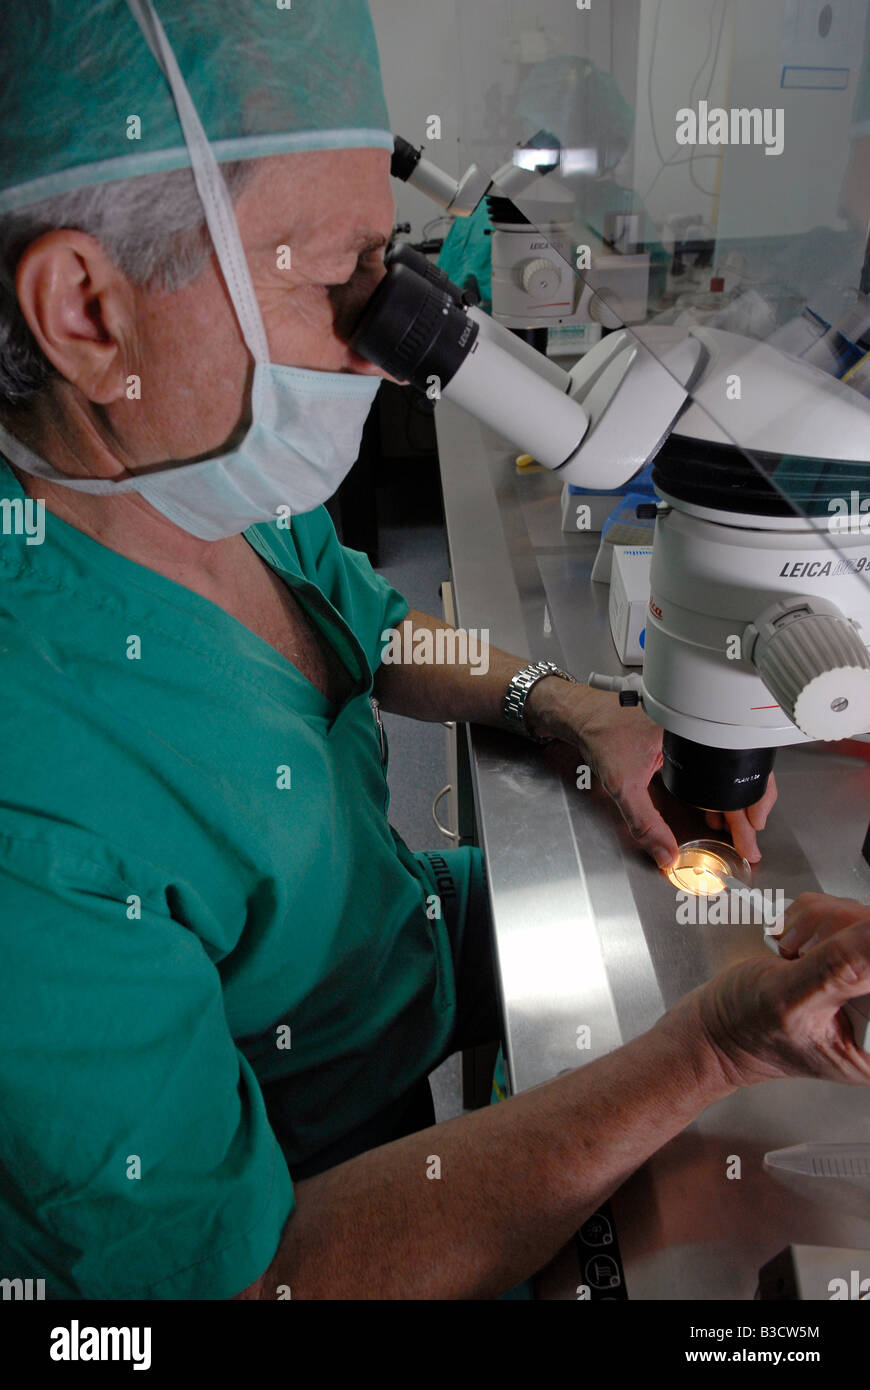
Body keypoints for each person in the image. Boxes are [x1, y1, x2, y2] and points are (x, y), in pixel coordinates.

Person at [0, 0, 866, 1301]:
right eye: (332, 277)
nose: (378, 338)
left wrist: (568, 701)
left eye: (384, 270)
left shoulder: (192, 481)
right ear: (86, 309)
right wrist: (709, 1048)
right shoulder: (32, 791)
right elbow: (248, 1280)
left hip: (396, 960)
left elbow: (377, 620)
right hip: (318, 1205)